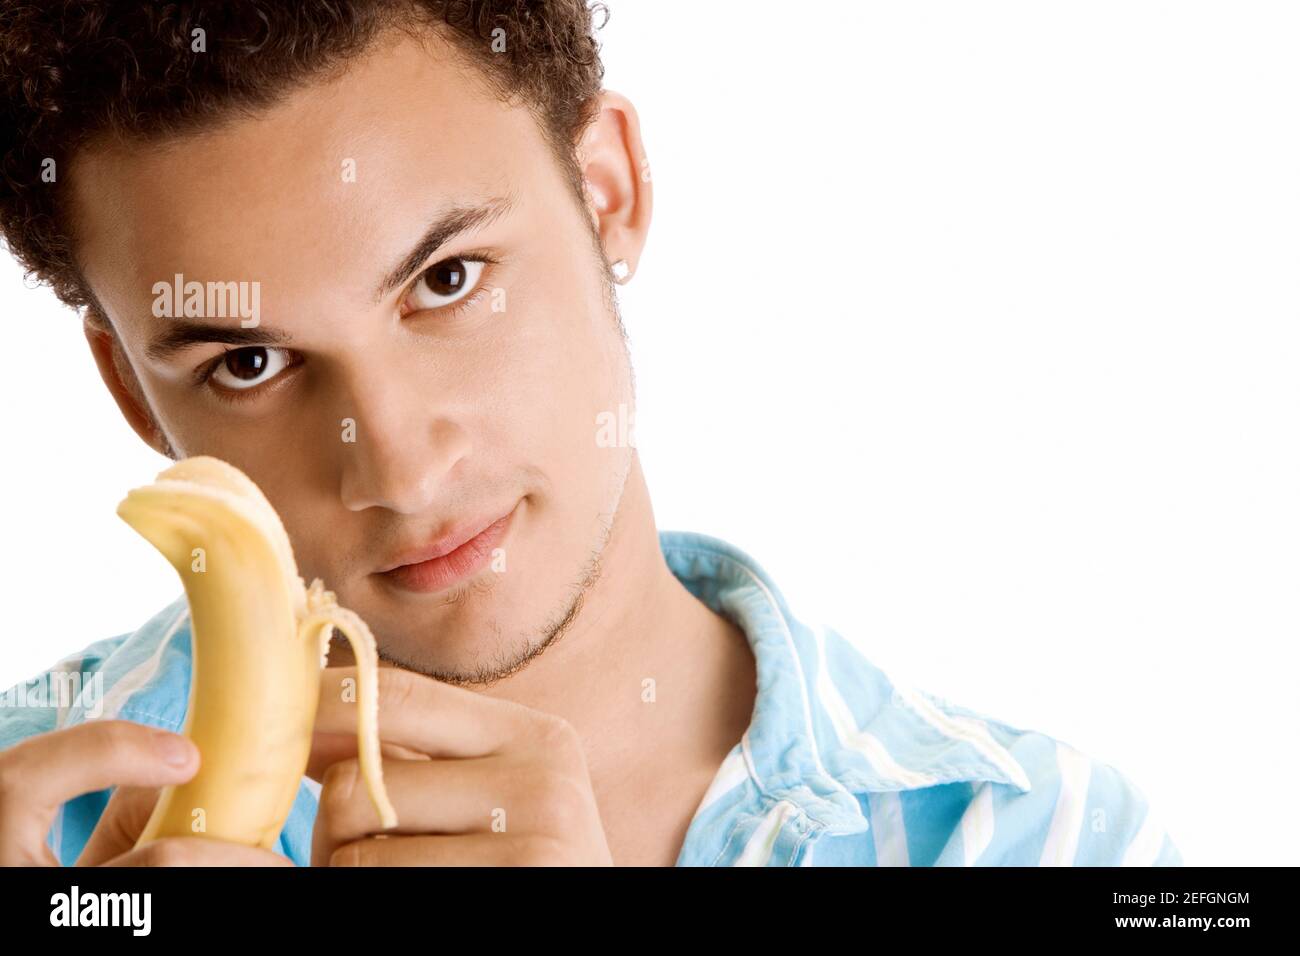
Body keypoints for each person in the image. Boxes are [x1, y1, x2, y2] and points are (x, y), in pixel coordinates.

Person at [0, 0, 1181, 867]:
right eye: (248, 362)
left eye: (449, 279)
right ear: (131, 391)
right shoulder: (35, 834)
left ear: (606, 189)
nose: (404, 471)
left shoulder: (1051, 840)